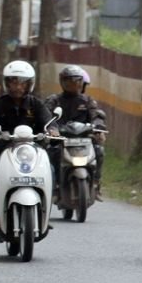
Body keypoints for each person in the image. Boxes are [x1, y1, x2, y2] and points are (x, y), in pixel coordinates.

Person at [0, 60, 53, 230]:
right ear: (7, 83)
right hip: (6, 152)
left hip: (34, 152)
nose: (18, 87)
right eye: (14, 82)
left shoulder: (36, 105)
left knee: (52, 170)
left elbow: (49, 122)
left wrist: (53, 131)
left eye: (23, 83)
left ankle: (44, 214)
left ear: (30, 84)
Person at [43, 65, 106, 198]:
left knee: (99, 151)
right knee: (50, 153)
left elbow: (96, 116)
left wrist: (99, 128)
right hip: (60, 139)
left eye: (77, 81)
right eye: (69, 81)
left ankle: (96, 182)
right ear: (62, 82)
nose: (73, 85)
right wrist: (51, 129)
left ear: (81, 82)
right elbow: (45, 116)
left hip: (84, 139)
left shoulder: (87, 100)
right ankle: (53, 185)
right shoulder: (54, 100)